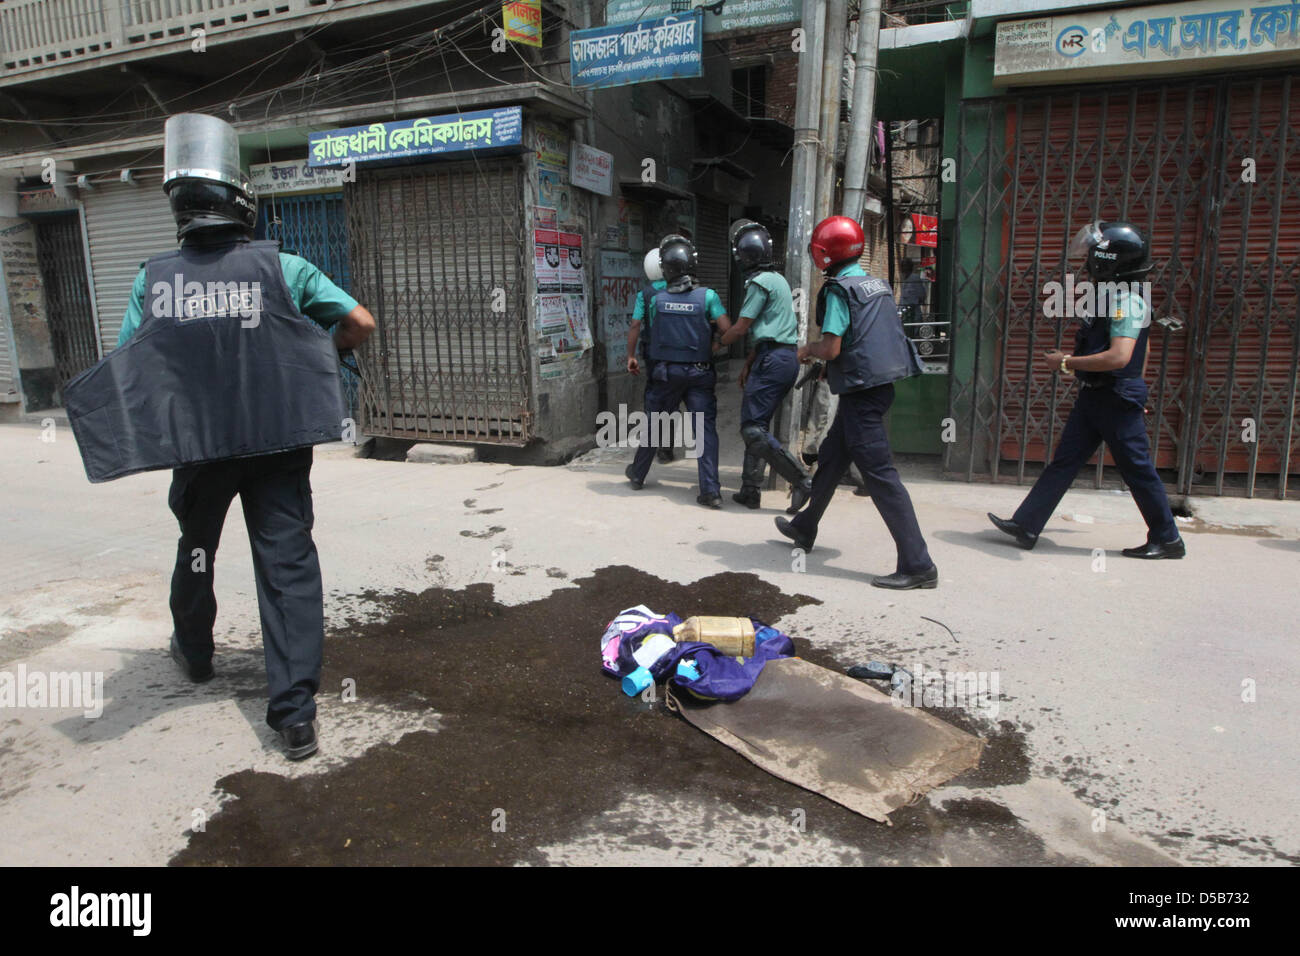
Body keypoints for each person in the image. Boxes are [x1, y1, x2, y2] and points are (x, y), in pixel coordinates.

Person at [66, 113, 376, 760]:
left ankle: (197, 654)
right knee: (287, 566)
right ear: (242, 203)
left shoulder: (152, 280)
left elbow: (129, 363)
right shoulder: (284, 268)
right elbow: (360, 322)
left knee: (196, 548)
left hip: (199, 447)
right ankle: (294, 716)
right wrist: (316, 351)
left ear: (179, 207)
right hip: (277, 442)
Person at [988, 221, 1184, 559]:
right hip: (1098, 395)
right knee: (1065, 461)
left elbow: (1121, 356)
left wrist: (1067, 362)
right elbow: (1143, 351)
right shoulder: (1112, 297)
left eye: (1093, 257)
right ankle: (1027, 524)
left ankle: (1167, 539)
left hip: (1115, 398)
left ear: (1109, 262)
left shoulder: (1127, 303)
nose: (1087, 263)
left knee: (1137, 469)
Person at [774, 215, 938, 590]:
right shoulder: (875, 284)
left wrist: (807, 351)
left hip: (862, 396)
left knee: (882, 478)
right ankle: (805, 526)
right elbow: (866, 337)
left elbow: (831, 347)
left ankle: (919, 564)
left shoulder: (839, 290)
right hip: (873, 388)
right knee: (832, 459)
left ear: (828, 252)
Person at [624, 234, 730, 508]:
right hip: (699, 373)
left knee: (655, 425)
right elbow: (728, 329)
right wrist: (716, 342)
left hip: (665, 375)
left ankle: (637, 475)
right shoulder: (707, 296)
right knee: (704, 430)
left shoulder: (655, 299)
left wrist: (631, 356)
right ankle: (711, 492)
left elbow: (638, 327)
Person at [718, 219, 812, 512]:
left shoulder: (758, 283)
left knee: (753, 430)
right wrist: (748, 363)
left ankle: (801, 480)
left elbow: (743, 327)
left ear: (743, 256)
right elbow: (769, 329)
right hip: (778, 357)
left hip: (773, 360)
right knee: (757, 425)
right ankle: (750, 489)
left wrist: (716, 343)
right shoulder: (778, 279)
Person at [626, 247, 673, 464]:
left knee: (654, 399)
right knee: (671, 399)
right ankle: (667, 448)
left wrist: (630, 355)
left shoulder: (644, 294)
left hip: (653, 354)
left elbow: (636, 324)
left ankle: (651, 446)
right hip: (676, 355)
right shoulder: (679, 290)